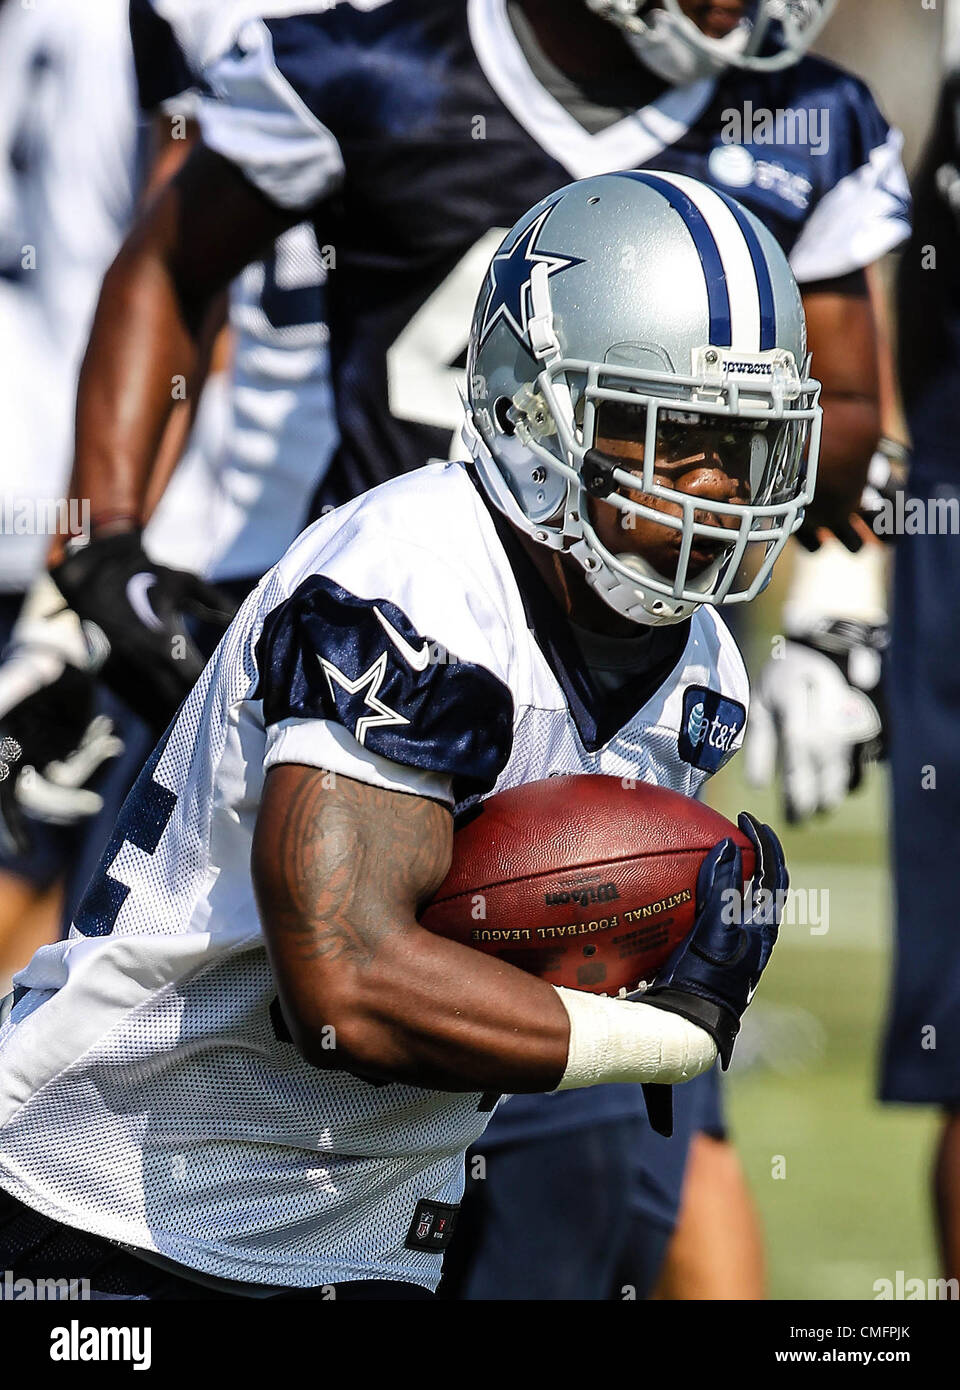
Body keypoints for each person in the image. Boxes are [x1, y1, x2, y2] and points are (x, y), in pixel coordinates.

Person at [0, 0, 907, 1298]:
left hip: (358, 1239)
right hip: (117, 1216)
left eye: (745, 445)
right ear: (547, 415)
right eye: (673, 439)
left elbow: (510, 941)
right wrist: (651, 1028)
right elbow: (349, 991)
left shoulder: (698, 662)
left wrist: (652, 941)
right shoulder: (413, 575)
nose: (716, 487)